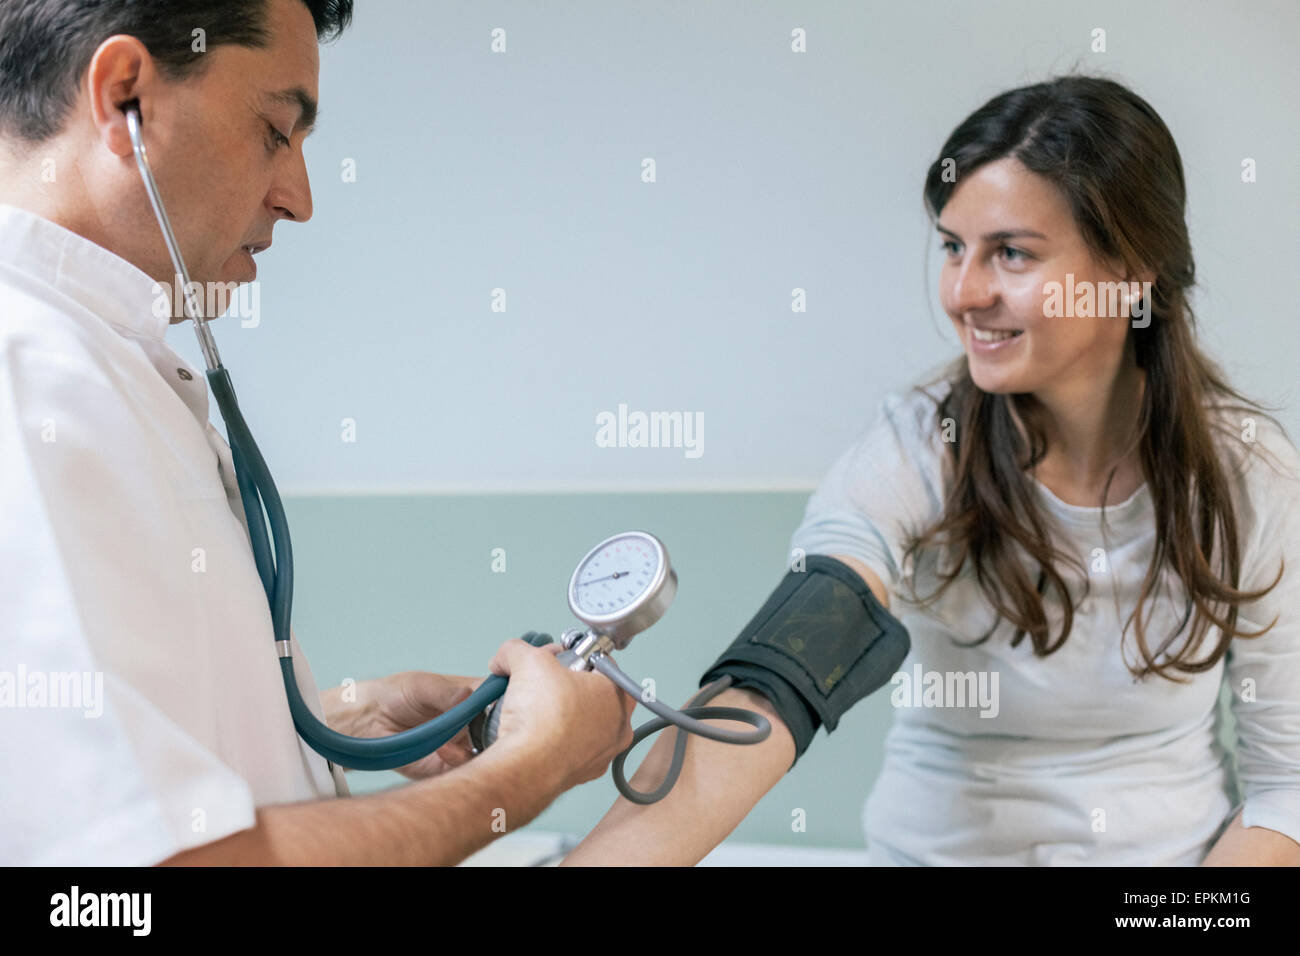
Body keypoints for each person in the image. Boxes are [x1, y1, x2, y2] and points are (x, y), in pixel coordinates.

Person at [562, 74, 1300, 866]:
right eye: (953, 247)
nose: (963, 292)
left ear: (1131, 269)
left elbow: (1288, 782)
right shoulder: (919, 448)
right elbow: (780, 679)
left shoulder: (1246, 472)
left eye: (1011, 253)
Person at [0, 0, 634, 866]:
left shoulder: (102, 360)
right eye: (275, 132)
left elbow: (101, 780)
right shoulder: (28, 378)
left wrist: (345, 719)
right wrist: (528, 772)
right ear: (124, 98)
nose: (297, 198)